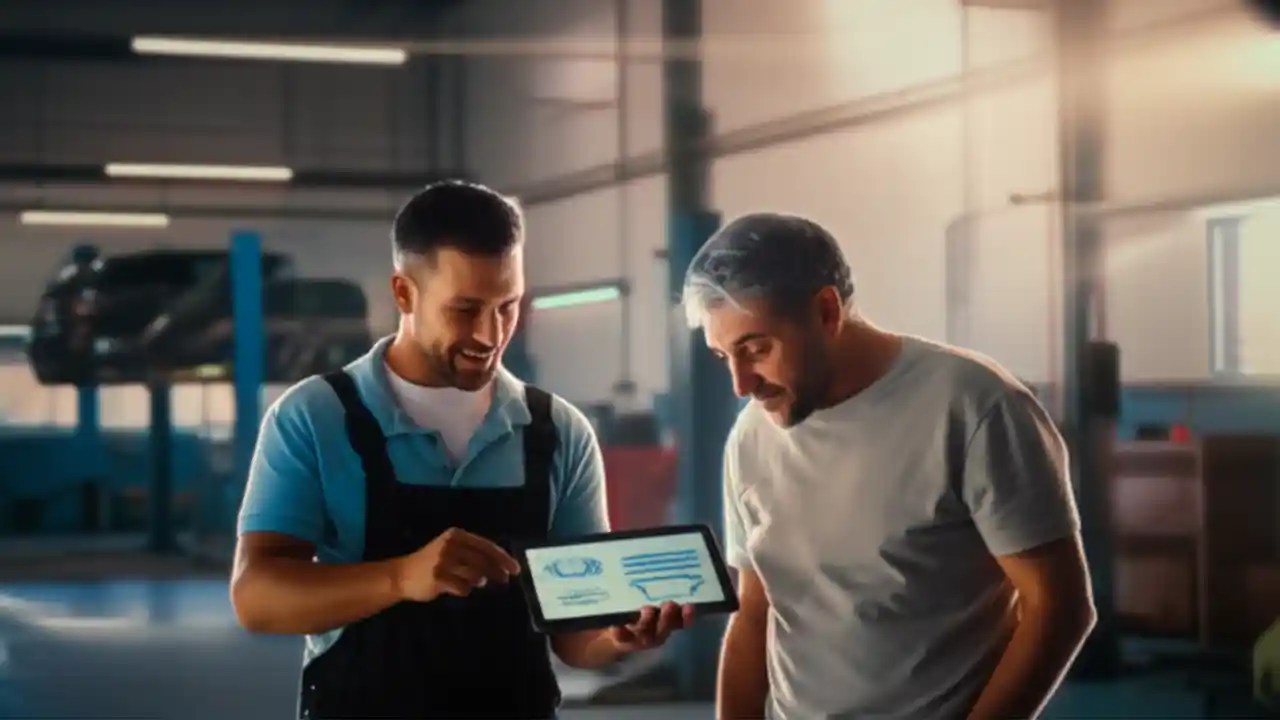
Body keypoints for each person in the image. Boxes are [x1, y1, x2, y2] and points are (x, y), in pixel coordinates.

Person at [231, 180, 692, 720]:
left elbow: (575, 634)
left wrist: (616, 637)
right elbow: (256, 596)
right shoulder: (315, 417)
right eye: (465, 309)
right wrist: (401, 577)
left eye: (507, 307)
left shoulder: (559, 432)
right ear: (404, 294)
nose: (490, 335)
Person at [683, 214, 1097, 719]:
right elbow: (755, 612)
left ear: (826, 311)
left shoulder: (973, 405)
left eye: (756, 349)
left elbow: (1058, 607)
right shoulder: (752, 435)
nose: (741, 383)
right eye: (722, 356)